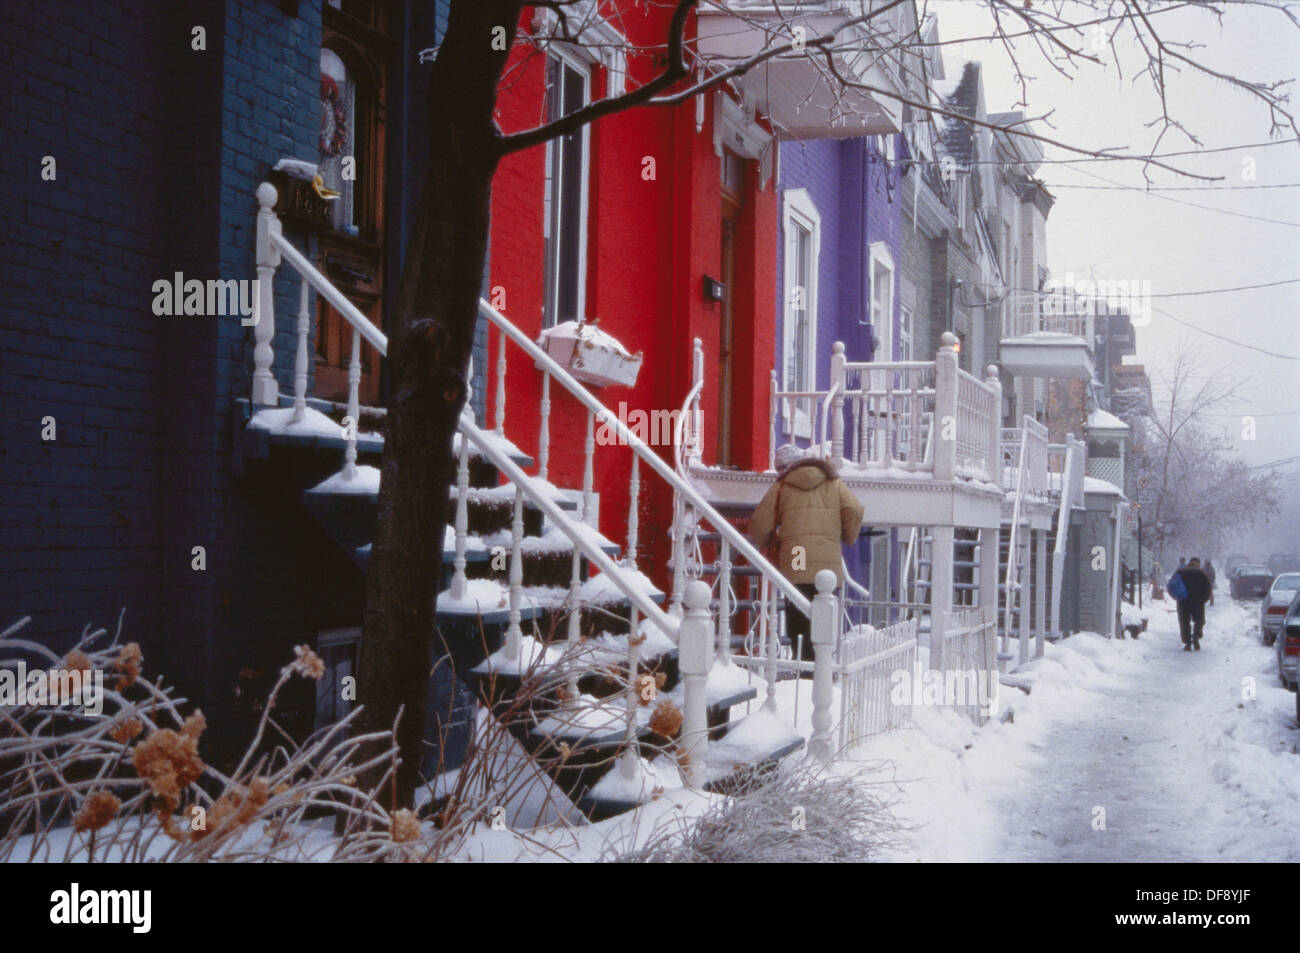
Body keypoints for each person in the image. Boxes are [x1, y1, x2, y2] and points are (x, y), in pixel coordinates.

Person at [748, 445, 864, 664]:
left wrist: (768, 541)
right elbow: (855, 510)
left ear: (784, 467)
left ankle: (802, 661)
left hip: (797, 554)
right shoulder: (833, 482)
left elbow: (759, 524)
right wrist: (846, 536)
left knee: (798, 607)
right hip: (827, 559)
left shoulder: (782, 486)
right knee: (823, 610)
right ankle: (822, 663)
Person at [1168, 557, 1212, 651]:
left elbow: (1171, 585)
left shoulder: (1180, 572)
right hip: (1198, 602)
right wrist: (1203, 600)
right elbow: (1208, 588)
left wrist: (1176, 597)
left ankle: (1187, 642)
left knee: (1184, 622)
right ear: (1198, 563)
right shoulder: (1201, 573)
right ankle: (1196, 637)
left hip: (1183, 601)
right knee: (1199, 621)